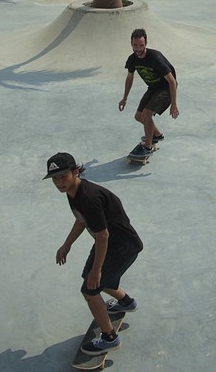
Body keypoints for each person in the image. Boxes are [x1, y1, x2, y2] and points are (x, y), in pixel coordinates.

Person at [46, 152, 142, 356]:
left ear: (75, 172)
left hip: (120, 247)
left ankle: (110, 338)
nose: (59, 183)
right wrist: (67, 244)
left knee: (90, 289)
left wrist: (97, 269)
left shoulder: (88, 197)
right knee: (90, 279)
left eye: (63, 177)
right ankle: (125, 302)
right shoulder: (74, 192)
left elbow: (103, 235)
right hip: (112, 243)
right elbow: (82, 220)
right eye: (55, 179)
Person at [118, 28, 179, 158]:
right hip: (153, 88)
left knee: (146, 114)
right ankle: (157, 135)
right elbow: (129, 78)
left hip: (166, 88)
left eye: (141, 45)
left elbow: (172, 81)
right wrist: (124, 98)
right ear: (131, 44)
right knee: (139, 116)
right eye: (135, 45)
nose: (138, 49)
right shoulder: (132, 60)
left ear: (146, 43)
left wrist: (174, 103)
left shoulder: (155, 58)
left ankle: (148, 147)